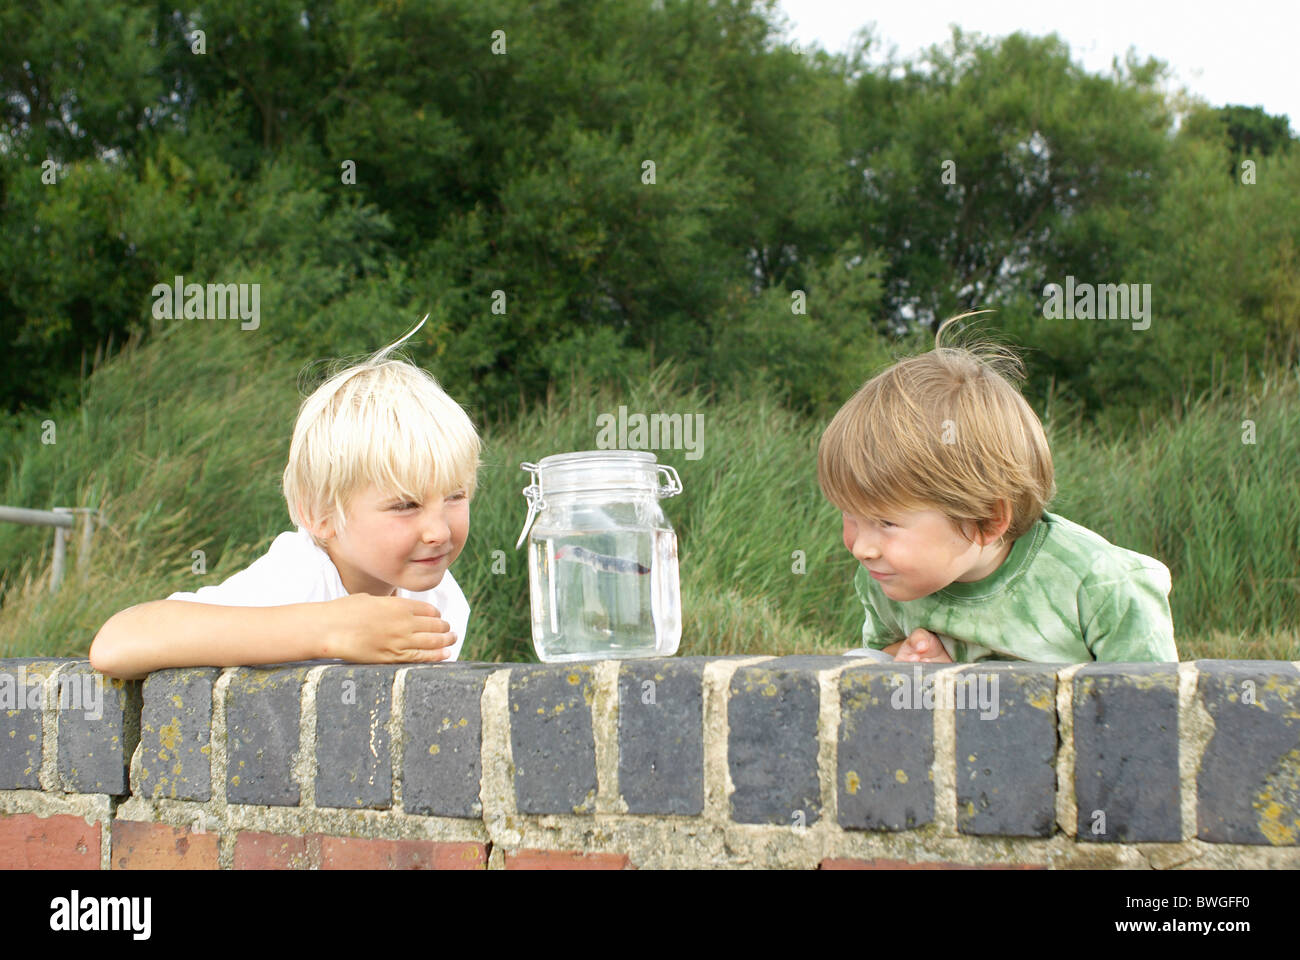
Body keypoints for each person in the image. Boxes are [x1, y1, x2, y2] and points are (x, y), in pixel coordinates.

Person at [90, 319, 480, 680]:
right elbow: (117, 642)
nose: (437, 530)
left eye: (454, 496)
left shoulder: (441, 597)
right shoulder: (300, 575)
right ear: (318, 513)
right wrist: (330, 628)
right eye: (405, 505)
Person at [817, 313, 1177, 664]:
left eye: (886, 523)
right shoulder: (886, 577)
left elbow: (1148, 707)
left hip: (1068, 721)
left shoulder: (1099, 587)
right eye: (850, 515)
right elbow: (889, 649)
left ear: (987, 521)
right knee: (861, 664)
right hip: (965, 721)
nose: (861, 548)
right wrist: (910, 661)